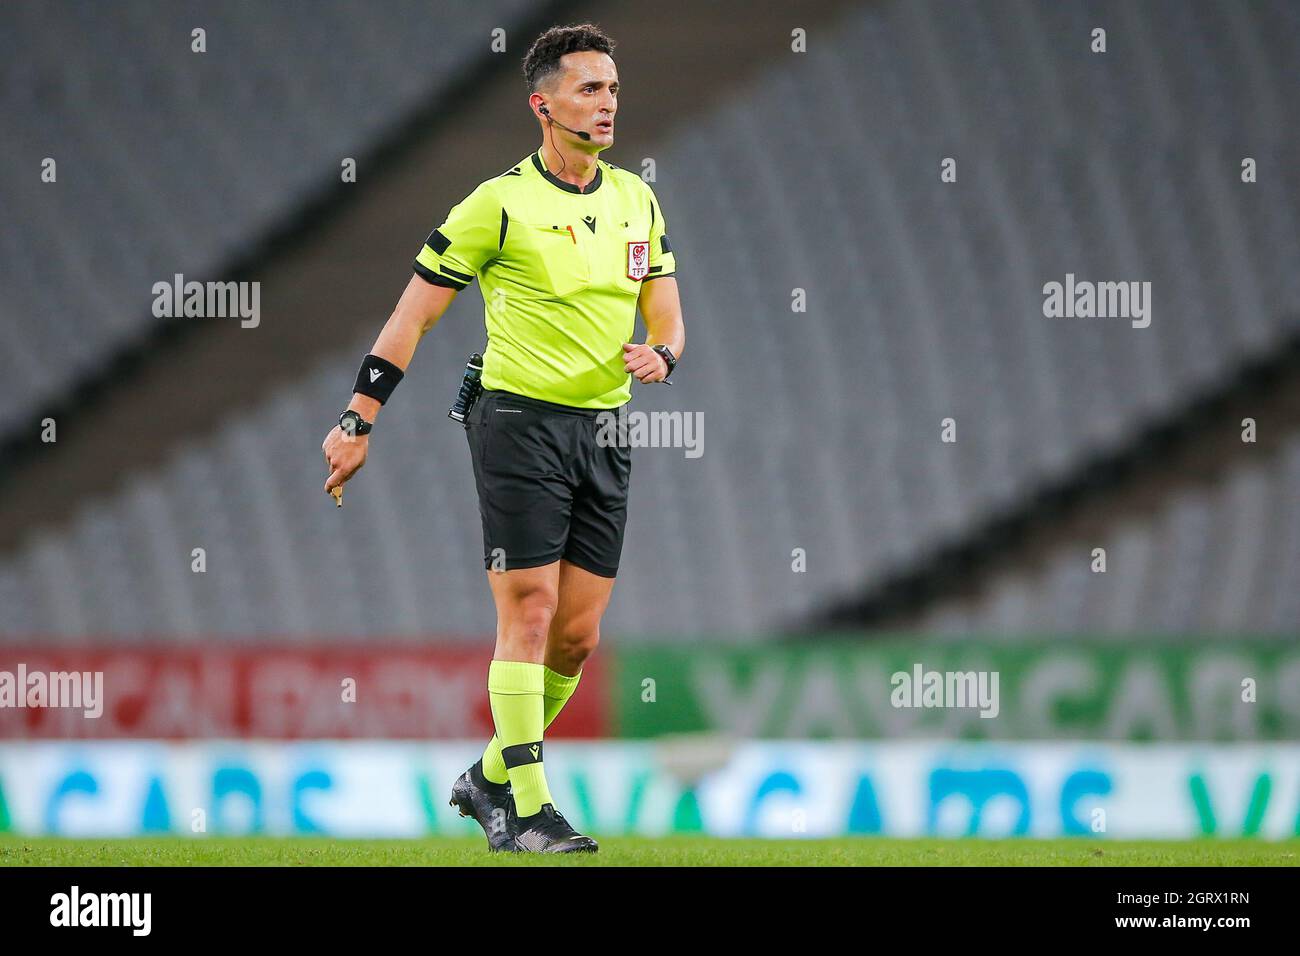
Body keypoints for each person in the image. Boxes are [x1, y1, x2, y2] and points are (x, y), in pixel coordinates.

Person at [321, 23, 685, 853]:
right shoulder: (498, 203)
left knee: (578, 636)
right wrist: (357, 418)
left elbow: (665, 307)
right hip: (517, 420)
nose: (607, 105)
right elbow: (414, 313)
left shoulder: (636, 197)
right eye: (589, 89)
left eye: (614, 90)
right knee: (529, 608)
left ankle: (487, 776)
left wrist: (662, 351)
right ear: (542, 104)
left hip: (603, 428)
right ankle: (527, 807)